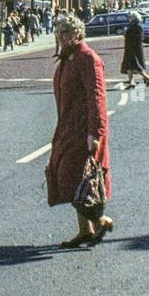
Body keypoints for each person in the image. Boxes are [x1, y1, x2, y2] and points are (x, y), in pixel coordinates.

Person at [45, 14, 113, 248]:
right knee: (76, 179)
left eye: (66, 32)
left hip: (84, 130)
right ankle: (86, 230)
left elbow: (97, 98)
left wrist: (95, 132)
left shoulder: (87, 58)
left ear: (78, 33)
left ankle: (101, 221)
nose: (61, 37)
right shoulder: (68, 58)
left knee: (73, 177)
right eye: (59, 32)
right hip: (67, 127)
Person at [121, 14, 149, 88]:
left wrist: (126, 34)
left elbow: (139, 38)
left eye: (131, 17)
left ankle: (147, 77)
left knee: (135, 65)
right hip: (129, 47)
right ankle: (131, 82)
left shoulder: (138, 26)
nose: (129, 18)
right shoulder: (131, 25)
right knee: (128, 65)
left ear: (134, 18)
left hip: (134, 49)